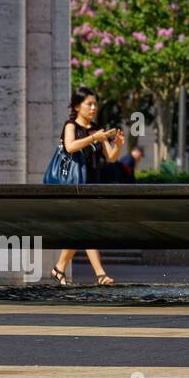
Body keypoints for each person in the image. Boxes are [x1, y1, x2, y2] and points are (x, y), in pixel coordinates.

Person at [49, 87, 125, 285]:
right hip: (73, 185)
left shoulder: (96, 128)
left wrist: (117, 145)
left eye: (95, 104)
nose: (93, 108)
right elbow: (70, 146)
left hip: (90, 184)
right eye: (88, 104)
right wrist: (94, 138)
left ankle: (59, 269)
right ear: (77, 106)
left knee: (82, 229)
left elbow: (111, 158)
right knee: (84, 227)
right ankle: (99, 274)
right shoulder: (71, 126)